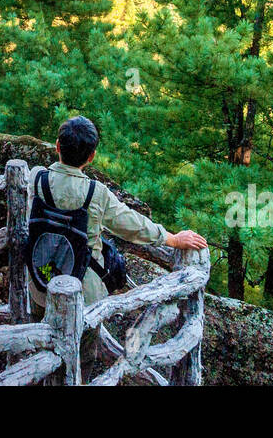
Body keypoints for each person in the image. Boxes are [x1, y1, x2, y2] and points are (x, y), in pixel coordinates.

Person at [27, 115, 207, 316]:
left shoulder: (36, 178)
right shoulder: (96, 193)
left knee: (40, 326)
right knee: (85, 344)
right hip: (83, 292)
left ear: (58, 146)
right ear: (91, 157)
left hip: (40, 281)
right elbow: (131, 223)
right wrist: (171, 238)